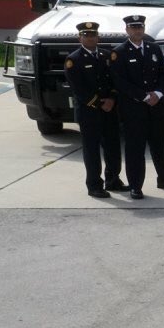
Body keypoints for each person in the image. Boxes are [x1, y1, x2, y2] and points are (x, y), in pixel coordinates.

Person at [112, 13, 164, 198]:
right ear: (127, 30)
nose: (137, 31)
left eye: (140, 27)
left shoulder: (154, 48)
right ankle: (136, 185)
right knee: (135, 149)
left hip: (155, 106)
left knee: (159, 145)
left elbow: (163, 73)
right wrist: (143, 96)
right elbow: (119, 81)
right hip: (134, 108)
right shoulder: (119, 52)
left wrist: (159, 93)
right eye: (133, 28)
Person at [63, 21, 119, 198]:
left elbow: (114, 81)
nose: (90, 38)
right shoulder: (74, 59)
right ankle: (94, 185)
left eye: (93, 35)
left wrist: (111, 99)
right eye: (86, 35)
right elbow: (79, 89)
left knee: (112, 146)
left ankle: (113, 179)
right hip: (89, 112)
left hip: (109, 109)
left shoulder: (107, 56)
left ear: (98, 37)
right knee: (92, 150)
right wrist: (100, 103)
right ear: (79, 37)